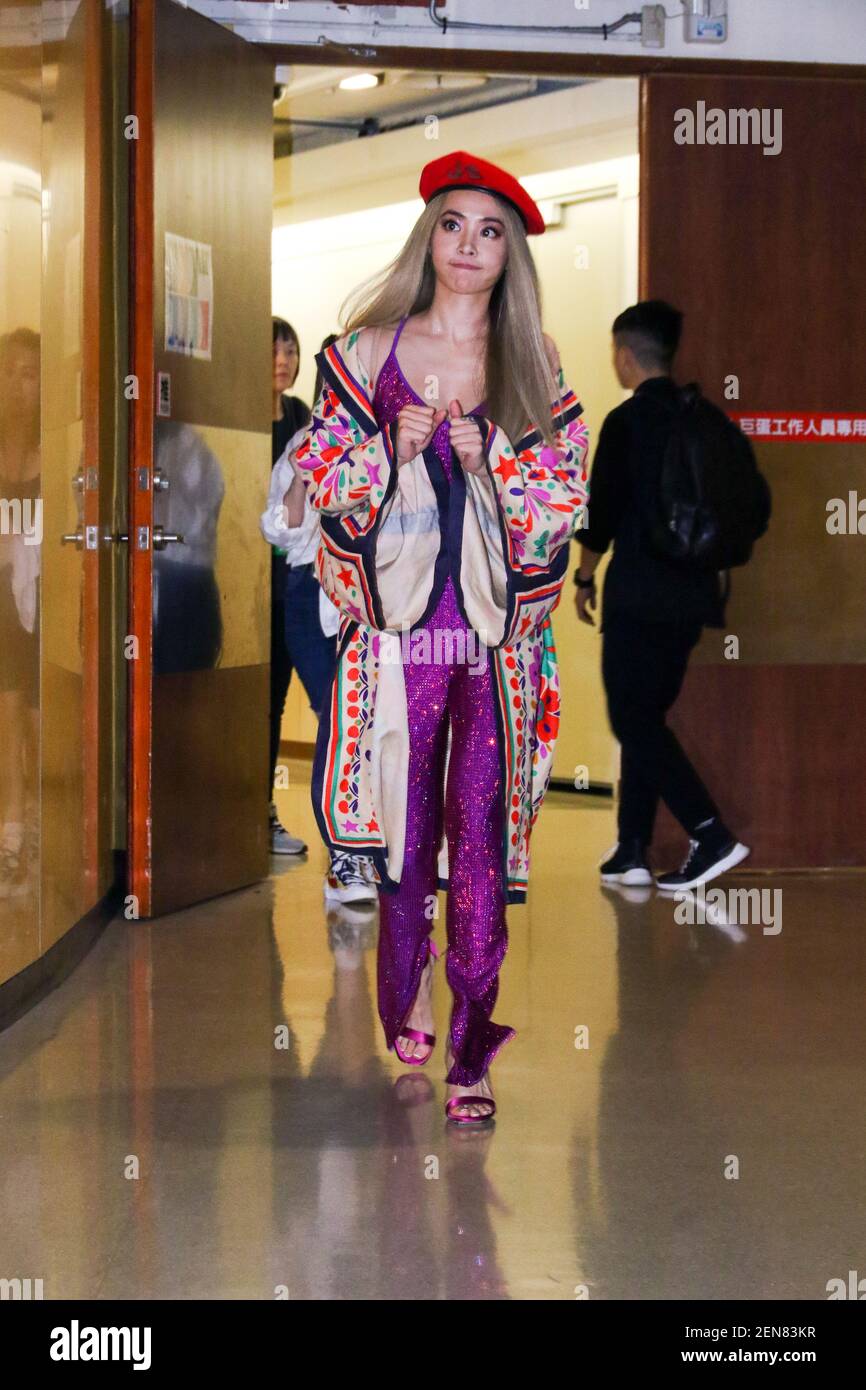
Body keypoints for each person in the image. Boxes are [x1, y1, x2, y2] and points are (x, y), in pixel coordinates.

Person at [290, 150, 589, 1123]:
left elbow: (561, 496)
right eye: (453, 225)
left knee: (482, 834)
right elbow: (317, 482)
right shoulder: (366, 349)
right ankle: (404, 998)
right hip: (397, 642)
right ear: (429, 236)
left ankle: (471, 1045)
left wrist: (492, 456)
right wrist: (390, 448)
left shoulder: (532, 360)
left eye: (489, 230)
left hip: (497, 650)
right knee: (401, 829)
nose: (468, 246)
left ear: (510, 253)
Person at [574, 300, 750, 892]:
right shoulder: (706, 418)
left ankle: (709, 831)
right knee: (644, 716)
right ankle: (632, 848)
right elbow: (755, 503)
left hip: (639, 594)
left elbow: (601, 513)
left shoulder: (627, 423)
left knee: (632, 717)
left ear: (625, 355)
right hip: (692, 597)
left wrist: (583, 576)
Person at [263, 326, 377, 905]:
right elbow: (279, 529)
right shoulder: (306, 441)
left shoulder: (397, 440)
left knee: (380, 727)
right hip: (314, 597)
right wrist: (306, 477)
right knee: (339, 725)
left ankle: (381, 848)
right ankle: (346, 858)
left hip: (382, 602)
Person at [0, 328, 41, 899]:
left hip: (42, 602)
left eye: (29, 373)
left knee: (39, 719)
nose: (16, 385)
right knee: (7, 715)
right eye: (9, 372)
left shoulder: (56, 445)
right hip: (1, 605)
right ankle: (11, 830)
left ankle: (35, 819)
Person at [268, 318, 311, 855]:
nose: (282, 358)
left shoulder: (301, 417)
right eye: (273, 349)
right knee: (261, 702)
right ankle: (258, 810)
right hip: (249, 583)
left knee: (287, 699)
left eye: (290, 350)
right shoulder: (240, 418)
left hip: (297, 583)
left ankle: (267, 811)